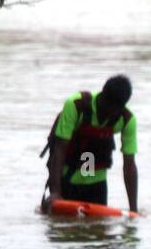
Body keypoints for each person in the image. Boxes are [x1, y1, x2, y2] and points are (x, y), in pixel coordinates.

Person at [42, 75, 137, 210]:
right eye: (106, 107)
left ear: (121, 108)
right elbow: (59, 149)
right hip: (66, 181)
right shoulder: (76, 104)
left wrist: (133, 209)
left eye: (114, 110)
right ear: (102, 96)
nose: (108, 114)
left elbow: (129, 165)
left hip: (97, 186)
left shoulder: (127, 119)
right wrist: (55, 192)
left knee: (97, 229)